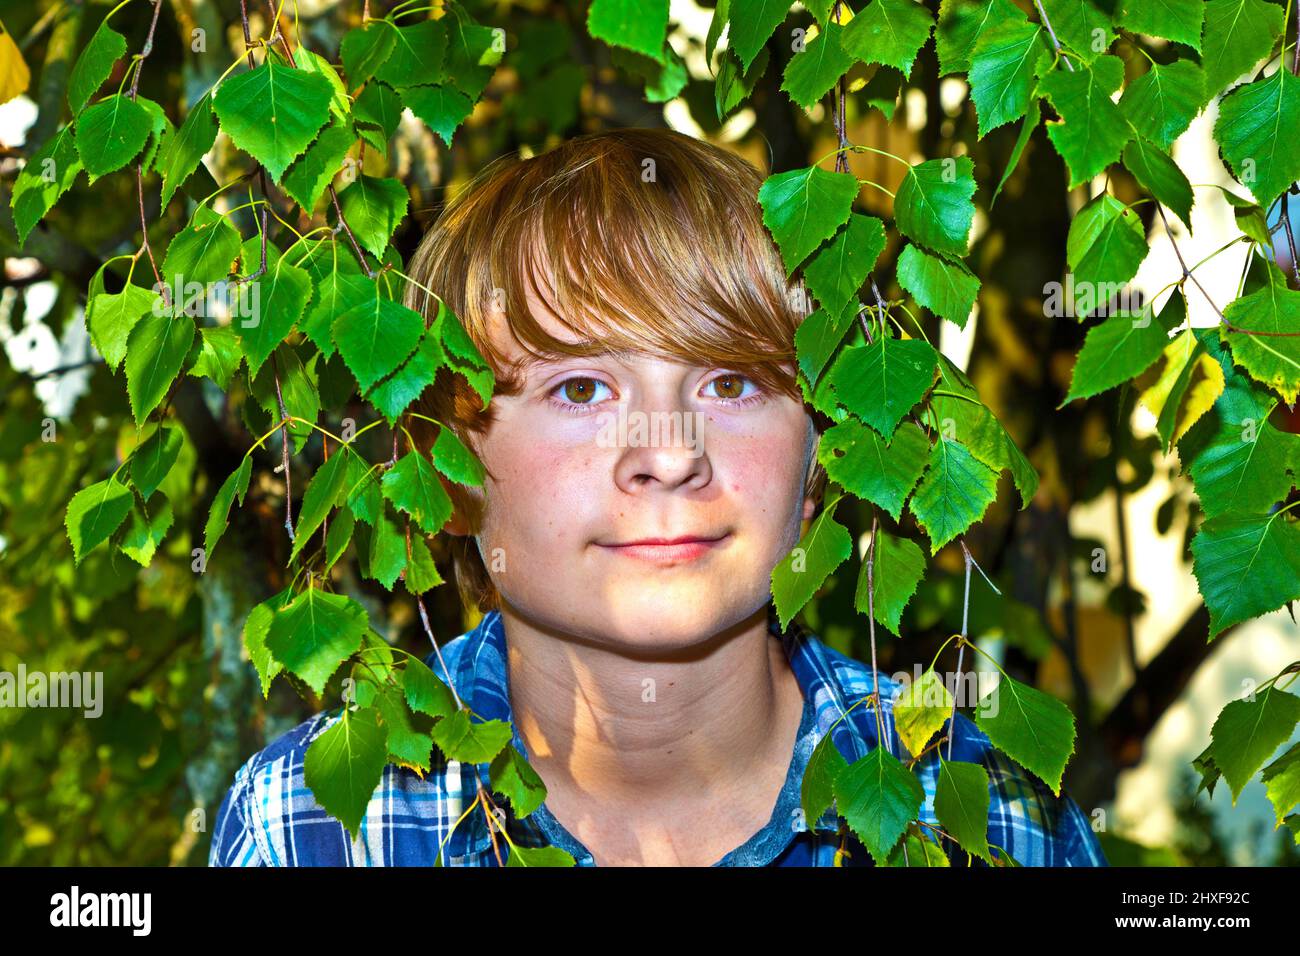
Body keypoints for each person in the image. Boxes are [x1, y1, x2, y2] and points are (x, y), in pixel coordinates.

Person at [209, 127, 1107, 867]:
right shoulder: (317, 825)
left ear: (820, 457)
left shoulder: (993, 811)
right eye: (580, 390)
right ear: (448, 461)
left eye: (732, 384)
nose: (669, 457)